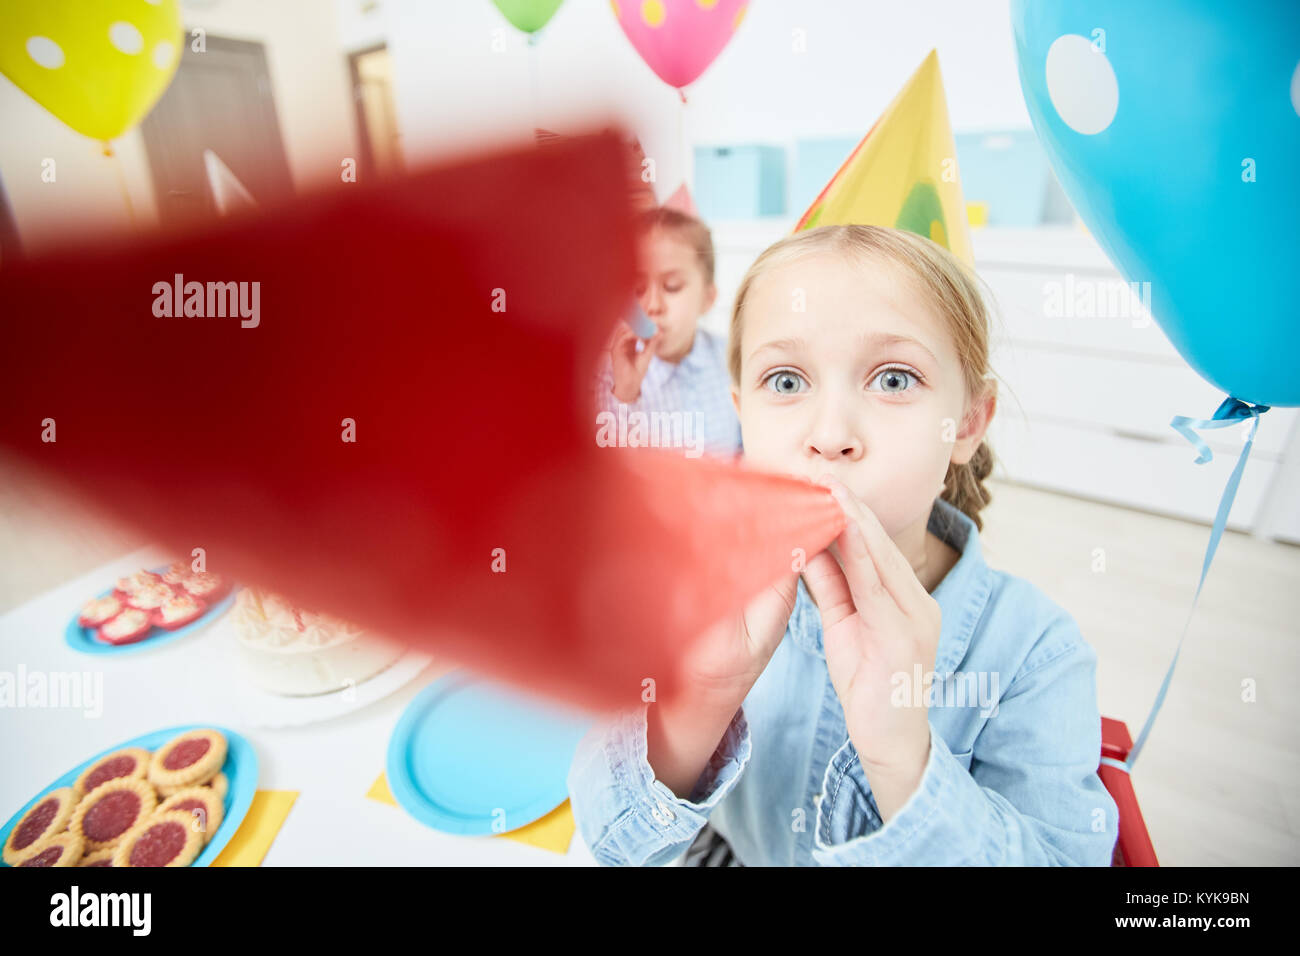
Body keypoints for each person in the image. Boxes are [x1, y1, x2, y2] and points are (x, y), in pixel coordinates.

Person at [568, 224, 1119, 866]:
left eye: (893, 379)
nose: (830, 436)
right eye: (786, 381)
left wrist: (905, 759)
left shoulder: (1036, 654)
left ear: (968, 422)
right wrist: (702, 697)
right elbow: (611, 841)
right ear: (742, 414)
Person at [593, 206, 743, 461]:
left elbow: (746, 451)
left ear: (708, 298)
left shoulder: (731, 360)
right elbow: (606, 469)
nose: (653, 305)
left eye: (672, 286)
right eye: (638, 288)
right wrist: (625, 394)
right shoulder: (608, 377)